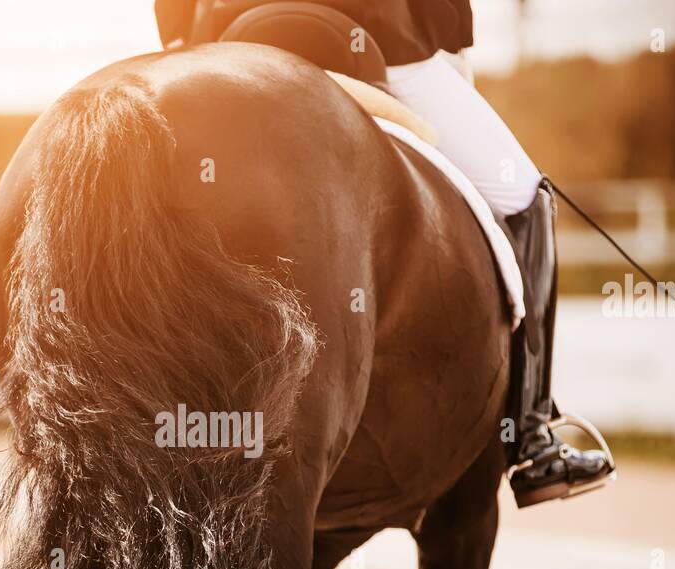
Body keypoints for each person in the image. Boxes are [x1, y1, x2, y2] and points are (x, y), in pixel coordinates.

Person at [154, 0, 615, 507]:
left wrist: (181, 38)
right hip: (380, 35)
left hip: (224, 39)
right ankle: (532, 436)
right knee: (526, 195)